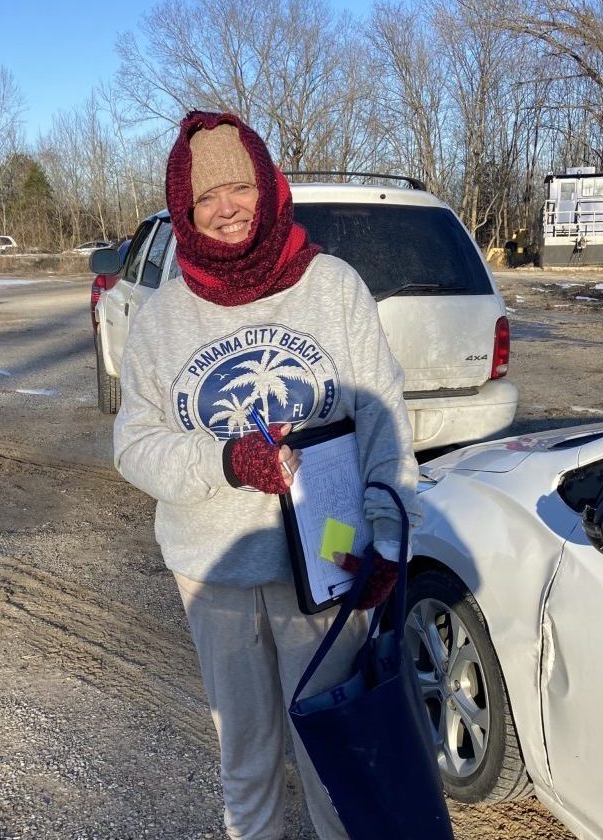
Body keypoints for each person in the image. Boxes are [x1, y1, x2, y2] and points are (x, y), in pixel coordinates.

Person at [113, 110, 419, 840]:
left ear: (268, 185)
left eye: (239, 187)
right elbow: (134, 446)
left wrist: (384, 537)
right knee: (246, 761)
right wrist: (223, 460)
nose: (226, 209)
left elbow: (383, 421)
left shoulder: (332, 289)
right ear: (183, 214)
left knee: (333, 759)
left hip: (322, 563)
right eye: (205, 198)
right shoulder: (162, 317)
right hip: (211, 574)